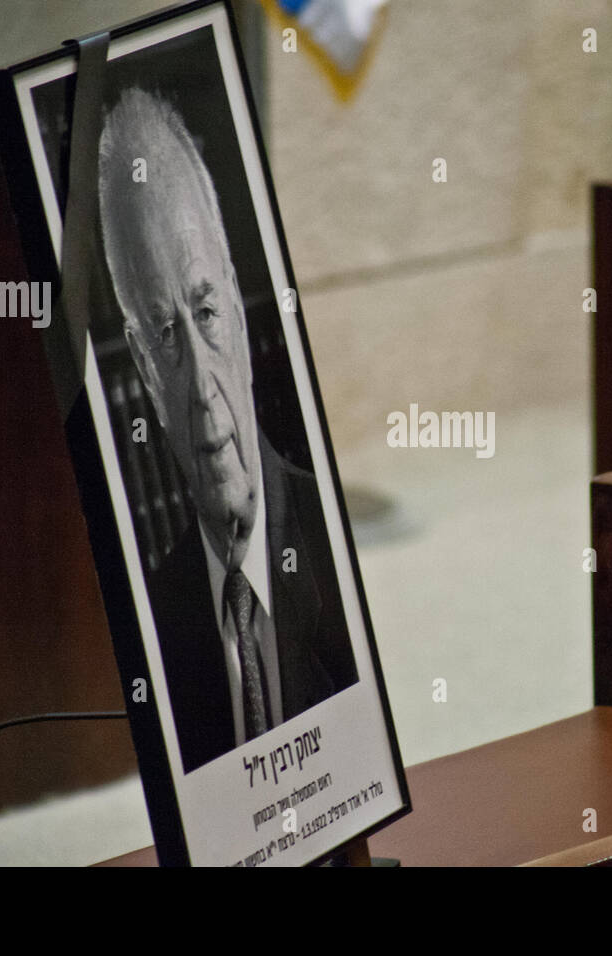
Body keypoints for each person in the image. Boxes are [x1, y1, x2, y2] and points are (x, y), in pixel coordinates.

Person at [97, 87, 355, 774]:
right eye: (167, 336)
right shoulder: (156, 622)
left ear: (239, 315)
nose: (205, 391)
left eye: (206, 315)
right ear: (146, 371)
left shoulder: (329, 544)